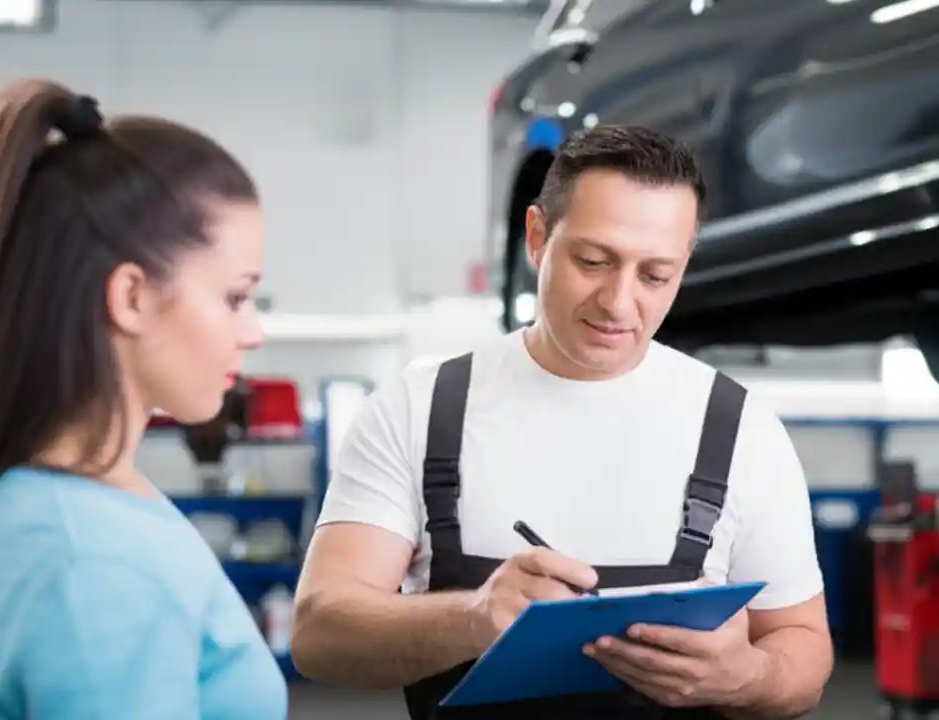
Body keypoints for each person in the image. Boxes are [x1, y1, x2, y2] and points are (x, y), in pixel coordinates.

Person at [291, 125, 834, 719]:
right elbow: (320, 632)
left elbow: (804, 650)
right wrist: (472, 619)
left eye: (656, 276)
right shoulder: (421, 409)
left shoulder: (739, 428)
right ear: (537, 238)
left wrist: (748, 677)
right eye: (594, 261)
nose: (619, 302)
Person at [0, 78, 288, 719]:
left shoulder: (77, 506)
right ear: (132, 296)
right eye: (235, 297)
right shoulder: (87, 548)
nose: (254, 332)